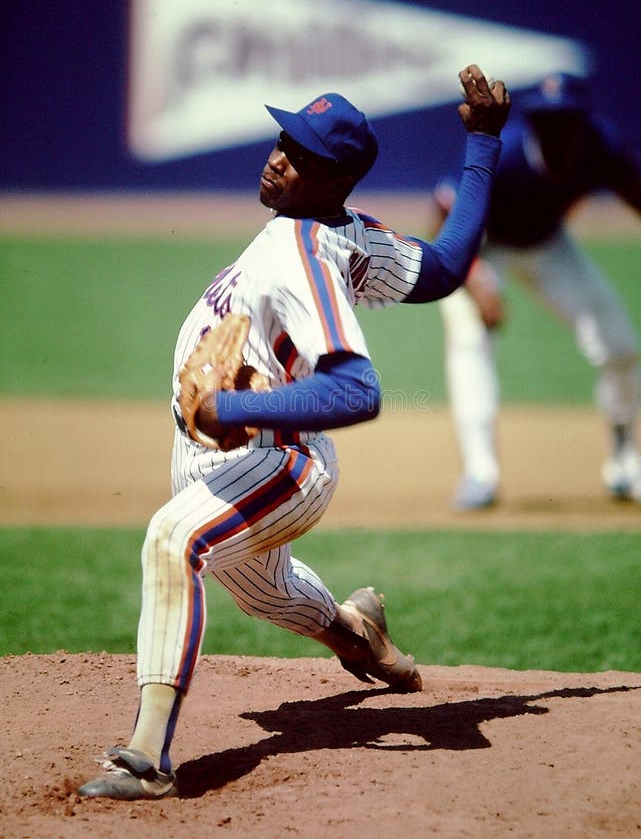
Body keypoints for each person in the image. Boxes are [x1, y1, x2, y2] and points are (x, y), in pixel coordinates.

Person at [77, 64, 510, 800]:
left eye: (300, 154)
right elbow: (439, 269)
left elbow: (357, 389)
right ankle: (358, 635)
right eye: (281, 139)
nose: (278, 155)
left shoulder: (299, 252)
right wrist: (482, 143)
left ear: (333, 177)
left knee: (172, 541)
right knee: (266, 596)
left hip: (278, 461)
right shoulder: (347, 235)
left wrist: (230, 411)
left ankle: (146, 757)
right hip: (222, 462)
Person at [433, 72, 641, 511]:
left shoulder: (601, 146)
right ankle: (480, 474)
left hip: (548, 246)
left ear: (583, 122)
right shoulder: (504, 156)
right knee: (470, 336)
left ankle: (625, 462)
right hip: (482, 248)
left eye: (565, 120)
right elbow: (442, 220)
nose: (556, 130)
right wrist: (472, 279)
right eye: (546, 121)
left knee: (620, 344)